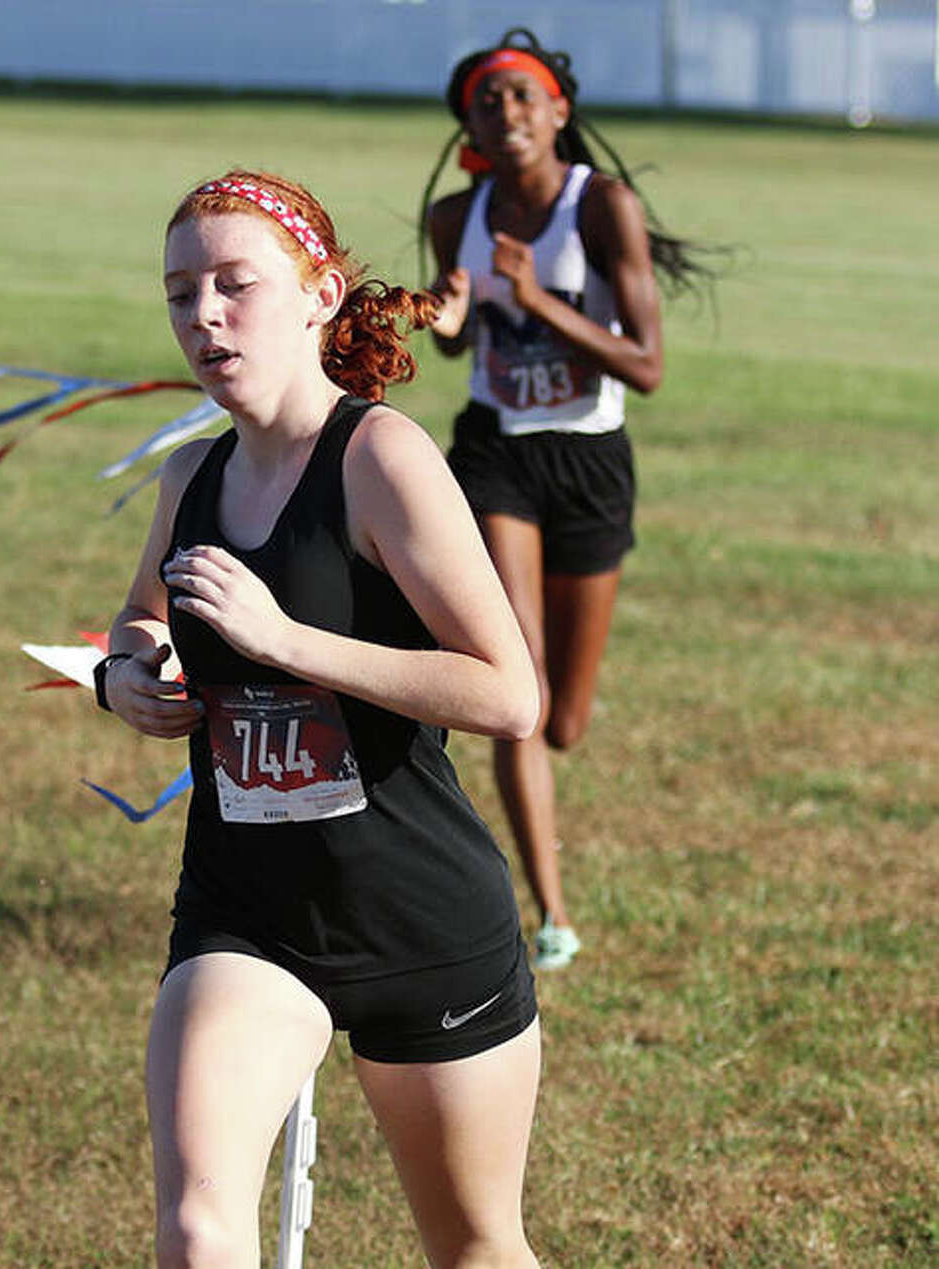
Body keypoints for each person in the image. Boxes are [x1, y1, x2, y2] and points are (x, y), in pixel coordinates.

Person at [97, 170, 544, 1268]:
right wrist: (127, 672)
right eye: (179, 292)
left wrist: (288, 642)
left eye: (233, 284)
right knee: (199, 1231)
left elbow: (508, 693)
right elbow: (136, 619)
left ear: (318, 294)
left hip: (419, 917)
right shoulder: (189, 476)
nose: (202, 314)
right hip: (248, 914)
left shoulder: (382, 460)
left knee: (475, 1247)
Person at [424, 28, 717, 971]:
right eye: (486, 101)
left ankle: (544, 833)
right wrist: (448, 315)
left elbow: (649, 366)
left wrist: (536, 298)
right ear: (467, 126)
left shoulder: (604, 208)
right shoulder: (452, 216)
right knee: (523, 688)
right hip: (494, 454)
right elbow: (454, 344)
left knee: (567, 722)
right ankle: (549, 915)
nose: (504, 112)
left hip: (589, 460)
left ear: (558, 113)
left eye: (522, 96)